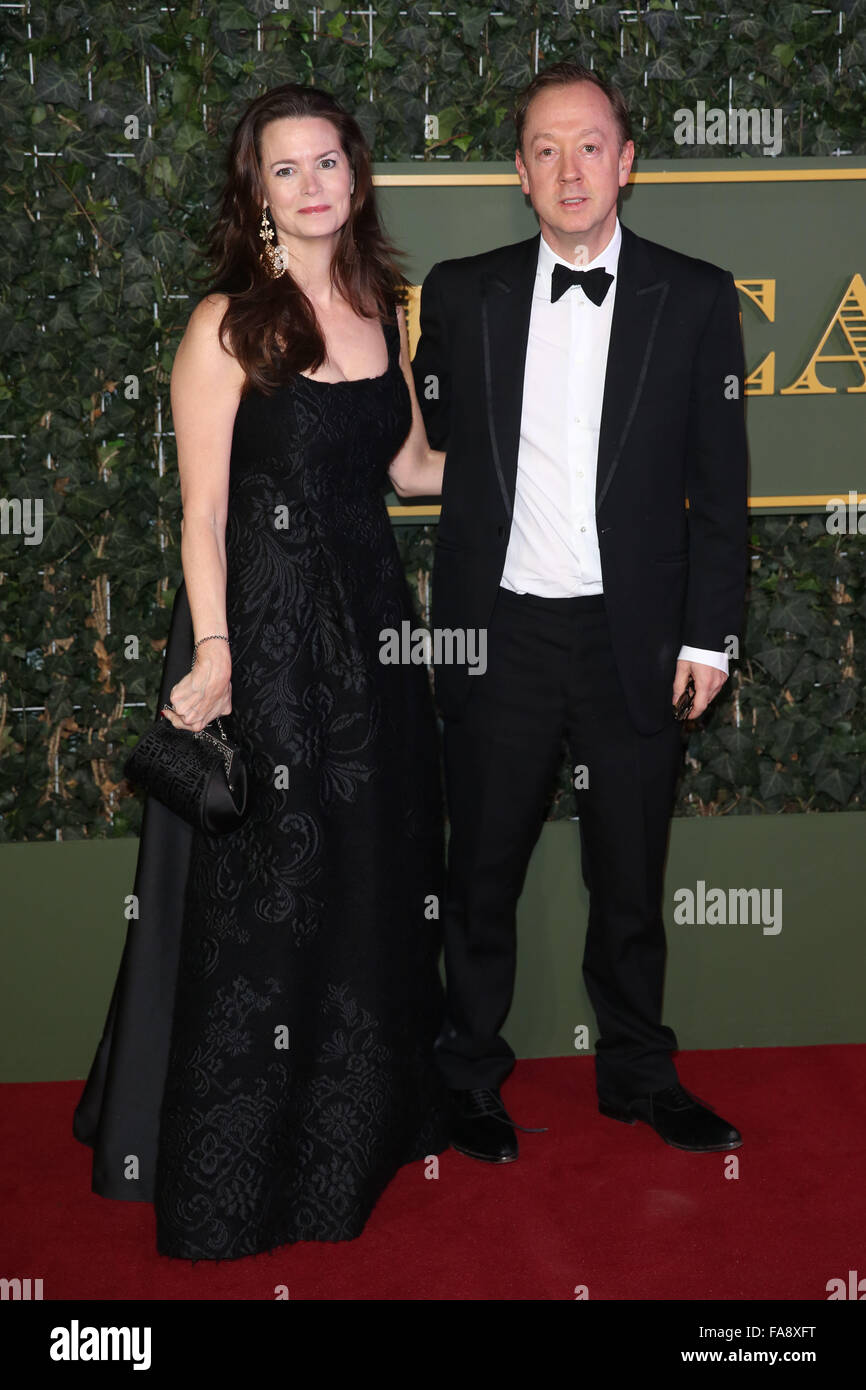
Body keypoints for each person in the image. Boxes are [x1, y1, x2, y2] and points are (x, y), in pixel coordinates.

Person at [74, 83, 447, 1259]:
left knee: (371, 871)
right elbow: (198, 515)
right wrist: (221, 650)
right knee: (274, 896)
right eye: (283, 169)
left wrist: (548, 449)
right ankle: (241, 1179)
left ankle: (350, 1140)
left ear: (356, 172)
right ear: (255, 191)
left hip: (372, 636)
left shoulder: (379, 303)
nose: (310, 183)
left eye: (326, 160)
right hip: (271, 639)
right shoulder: (225, 323)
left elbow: (412, 469)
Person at [411, 61, 749, 1163]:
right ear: (518, 173)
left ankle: (638, 1076)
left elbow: (719, 490)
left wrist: (707, 635)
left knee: (630, 872)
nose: (568, 167)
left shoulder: (694, 297)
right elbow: (414, 443)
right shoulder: (461, 294)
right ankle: (464, 1077)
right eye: (544, 149)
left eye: (589, 144)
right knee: (480, 876)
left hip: (631, 641)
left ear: (625, 162)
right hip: (499, 632)